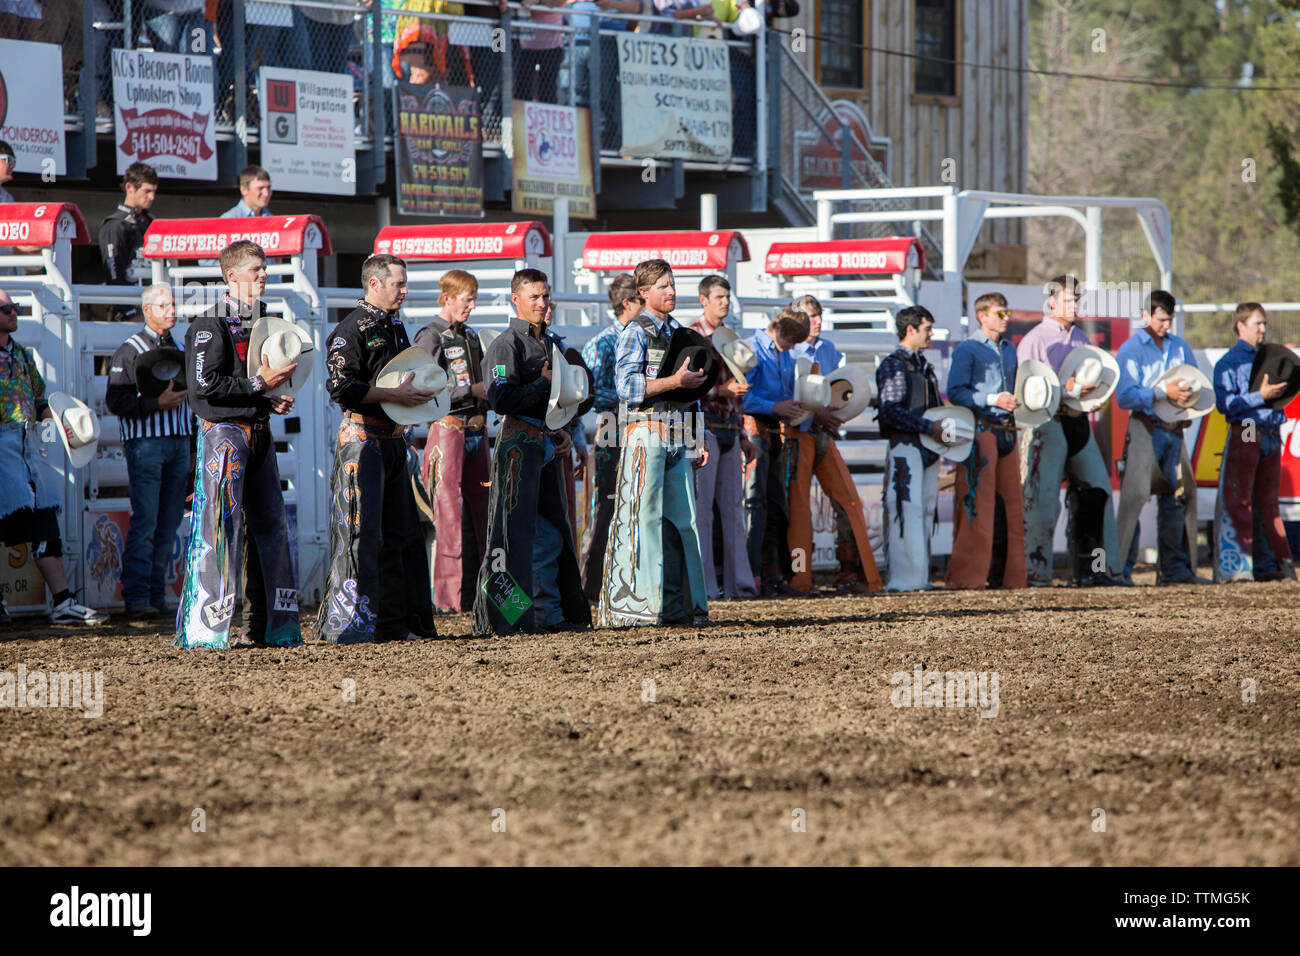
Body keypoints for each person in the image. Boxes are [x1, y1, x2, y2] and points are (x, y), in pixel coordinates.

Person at [176, 241, 301, 650]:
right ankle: (208, 629)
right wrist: (259, 385)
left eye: (265, 268)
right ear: (231, 276)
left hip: (260, 432)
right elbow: (203, 388)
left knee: (272, 529)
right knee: (220, 529)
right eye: (254, 269)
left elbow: (262, 385)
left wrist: (272, 398)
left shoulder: (268, 319)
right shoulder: (209, 325)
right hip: (224, 437)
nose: (263, 275)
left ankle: (272, 628)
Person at [318, 254, 439, 643]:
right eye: (398, 284)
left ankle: (395, 624)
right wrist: (395, 393)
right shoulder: (349, 330)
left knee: (402, 534)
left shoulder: (395, 325)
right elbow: (340, 387)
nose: (404, 291)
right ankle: (354, 625)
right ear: (374, 284)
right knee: (362, 533)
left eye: (404, 284)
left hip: (391, 441)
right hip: (362, 441)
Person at [473, 269, 591, 635]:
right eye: (534, 297)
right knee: (513, 536)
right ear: (516, 299)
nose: (542, 303)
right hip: (517, 448)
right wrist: (543, 381)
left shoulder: (550, 342)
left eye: (545, 296)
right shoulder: (506, 344)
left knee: (553, 533)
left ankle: (546, 615)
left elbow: (565, 400)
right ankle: (511, 619)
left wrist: (564, 429)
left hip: (546, 444)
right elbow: (500, 398)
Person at [597, 258, 712, 627]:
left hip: (676, 433)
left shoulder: (679, 332)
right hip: (644, 431)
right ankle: (642, 608)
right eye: (663, 286)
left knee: (685, 522)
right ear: (643, 293)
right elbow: (625, 387)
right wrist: (673, 383)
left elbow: (693, 394)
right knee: (644, 518)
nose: (671, 292)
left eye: (673, 285)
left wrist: (697, 438)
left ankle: (686, 608)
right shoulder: (634, 332)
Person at [0, 288, 108, 627]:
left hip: (25, 447)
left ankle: (62, 601)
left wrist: (51, 423)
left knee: (44, 518)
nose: (14, 314)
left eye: (15, 308)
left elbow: (39, 396)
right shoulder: (18, 355)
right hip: (5, 445)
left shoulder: (21, 355)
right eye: (7, 309)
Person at [1017, 275, 1124, 587]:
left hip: (1077, 420)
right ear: (1051, 303)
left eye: (1076, 300)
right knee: (1042, 501)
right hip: (1046, 424)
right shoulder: (1035, 340)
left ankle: (1097, 569)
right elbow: (1029, 391)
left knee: (1097, 493)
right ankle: (1036, 573)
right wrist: (1065, 389)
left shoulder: (1079, 338)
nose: (1074, 306)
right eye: (1068, 300)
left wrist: (1085, 394)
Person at [104, 284, 193, 619]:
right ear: (147, 310)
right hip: (146, 444)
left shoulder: (181, 346)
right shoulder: (130, 351)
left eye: (173, 304)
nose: (172, 310)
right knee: (146, 520)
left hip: (179, 441)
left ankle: (156, 596)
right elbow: (116, 400)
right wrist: (157, 403)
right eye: (163, 305)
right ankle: (138, 595)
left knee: (169, 522)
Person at [785, 294, 882, 595]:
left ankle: (849, 571)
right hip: (797, 434)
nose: (815, 323)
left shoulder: (828, 349)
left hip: (818, 433)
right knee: (799, 508)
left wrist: (833, 416)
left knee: (848, 500)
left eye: (818, 316)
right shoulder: (790, 349)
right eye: (809, 317)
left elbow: (838, 390)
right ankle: (799, 576)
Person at [414, 269, 490, 613]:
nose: (471, 306)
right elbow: (421, 385)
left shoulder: (472, 336)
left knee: (483, 511)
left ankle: (480, 593)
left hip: (477, 428)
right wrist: (469, 391)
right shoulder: (429, 336)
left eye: (473, 300)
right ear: (448, 297)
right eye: (466, 299)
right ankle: (448, 600)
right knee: (448, 516)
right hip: (447, 429)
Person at [1114, 290, 1202, 585]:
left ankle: (1175, 569)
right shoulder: (1130, 349)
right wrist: (1163, 393)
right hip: (1145, 428)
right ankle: (1120, 569)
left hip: (1173, 430)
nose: (1166, 325)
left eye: (1169, 320)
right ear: (1146, 316)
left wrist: (1187, 404)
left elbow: (1195, 382)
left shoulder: (1179, 346)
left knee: (1177, 497)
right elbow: (1124, 397)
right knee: (1135, 498)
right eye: (1161, 319)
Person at [944, 292, 1026, 590]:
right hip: (982, 427)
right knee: (977, 505)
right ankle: (968, 577)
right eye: (1000, 313)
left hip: (1007, 429)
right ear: (982, 315)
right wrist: (993, 398)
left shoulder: (1009, 349)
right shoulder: (968, 349)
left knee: (1013, 508)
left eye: (1007, 313)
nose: (1007, 319)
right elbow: (956, 391)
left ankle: (1011, 577)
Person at [1212, 302, 1296, 582]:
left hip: (1269, 431)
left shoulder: (1268, 356)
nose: (1262, 329)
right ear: (1241, 326)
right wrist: (1261, 396)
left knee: (1266, 505)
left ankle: (1269, 566)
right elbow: (1225, 405)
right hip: (1249, 431)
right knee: (1242, 501)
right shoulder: (1228, 363)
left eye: (1264, 324)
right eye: (1257, 323)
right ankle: (1239, 568)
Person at [688, 275, 756, 599]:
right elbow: (689, 387)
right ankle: (707, 587)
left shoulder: (728, 336)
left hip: (727, 426)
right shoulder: (693, 336)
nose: (724, 302)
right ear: (703, 300)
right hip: (706, 427)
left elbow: (737, 389)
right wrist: (723, 390)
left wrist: (743, 432)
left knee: (731, 512)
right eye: (718, 297)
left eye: (726, 296)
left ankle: (737, 585)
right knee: (704, 514)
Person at [877, 305, 950, 592]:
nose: (931, 334)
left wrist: (937, 427)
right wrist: (928, 427)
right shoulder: (895, 365)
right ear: (911, 330)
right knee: (908, 508)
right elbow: (889, 411)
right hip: (907, 445)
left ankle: (917, 577)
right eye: (927, 328)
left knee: (924, 508)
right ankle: (904, 578)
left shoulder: (919, 365)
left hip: (924, 445)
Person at [579, 272, 642, 600]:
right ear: (627, 303)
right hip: (609, 427)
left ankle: (622, 584)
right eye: (640, 301)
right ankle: (590, 586)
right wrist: (627, 396)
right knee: (603, 505)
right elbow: (586, 391)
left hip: (633, 426)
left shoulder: (638, 338)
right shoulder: (602, 343)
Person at [742, 307, 809, 595]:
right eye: (790, 340)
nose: (791, 347)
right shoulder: (752, 349)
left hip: (770, 430)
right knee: (757, 502)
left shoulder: (779, 352)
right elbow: (743, 393)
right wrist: (776, 407)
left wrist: (785, 406)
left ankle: (769, 574)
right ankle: (755, 574)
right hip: (756, 429)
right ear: (778, 327)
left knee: (772, 504)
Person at [99, 162, 159, 295]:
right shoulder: (115, 224)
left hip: (154, 301)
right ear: (129, 187)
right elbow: (113, 273)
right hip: (130, 302)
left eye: (154, 191)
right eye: (147, 191)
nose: (152, 197)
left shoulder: (152, 222)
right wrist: (127, 312)